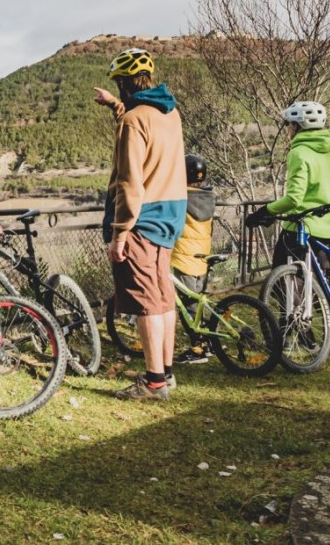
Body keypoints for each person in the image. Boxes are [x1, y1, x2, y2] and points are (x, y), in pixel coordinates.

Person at [94, 48, 188, 401]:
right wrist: (114, 107)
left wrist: (120, 233)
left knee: (146, 302)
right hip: (170, 213)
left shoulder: (133, 121)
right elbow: (139, 119)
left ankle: (154, 382)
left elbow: (130, 181)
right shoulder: (169, 112)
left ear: (123, 82)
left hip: (141, 218)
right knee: (163, 297)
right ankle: (166, 372)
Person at [245, 101, 330, 269]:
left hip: (299, 231)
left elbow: (294, 199)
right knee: (321, 279)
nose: (287, 128)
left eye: (288, 124)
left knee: (279, 278)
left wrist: (264, 211)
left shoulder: (298, 153)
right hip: (328, 231)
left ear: (296, 126)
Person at [170, 154, 216, 364]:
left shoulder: (181, 199)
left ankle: (198, 348)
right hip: (202, 256)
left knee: (187, 305)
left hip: (183, 257)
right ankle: (208, 342)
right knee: (197, 302)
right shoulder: (208, 196)